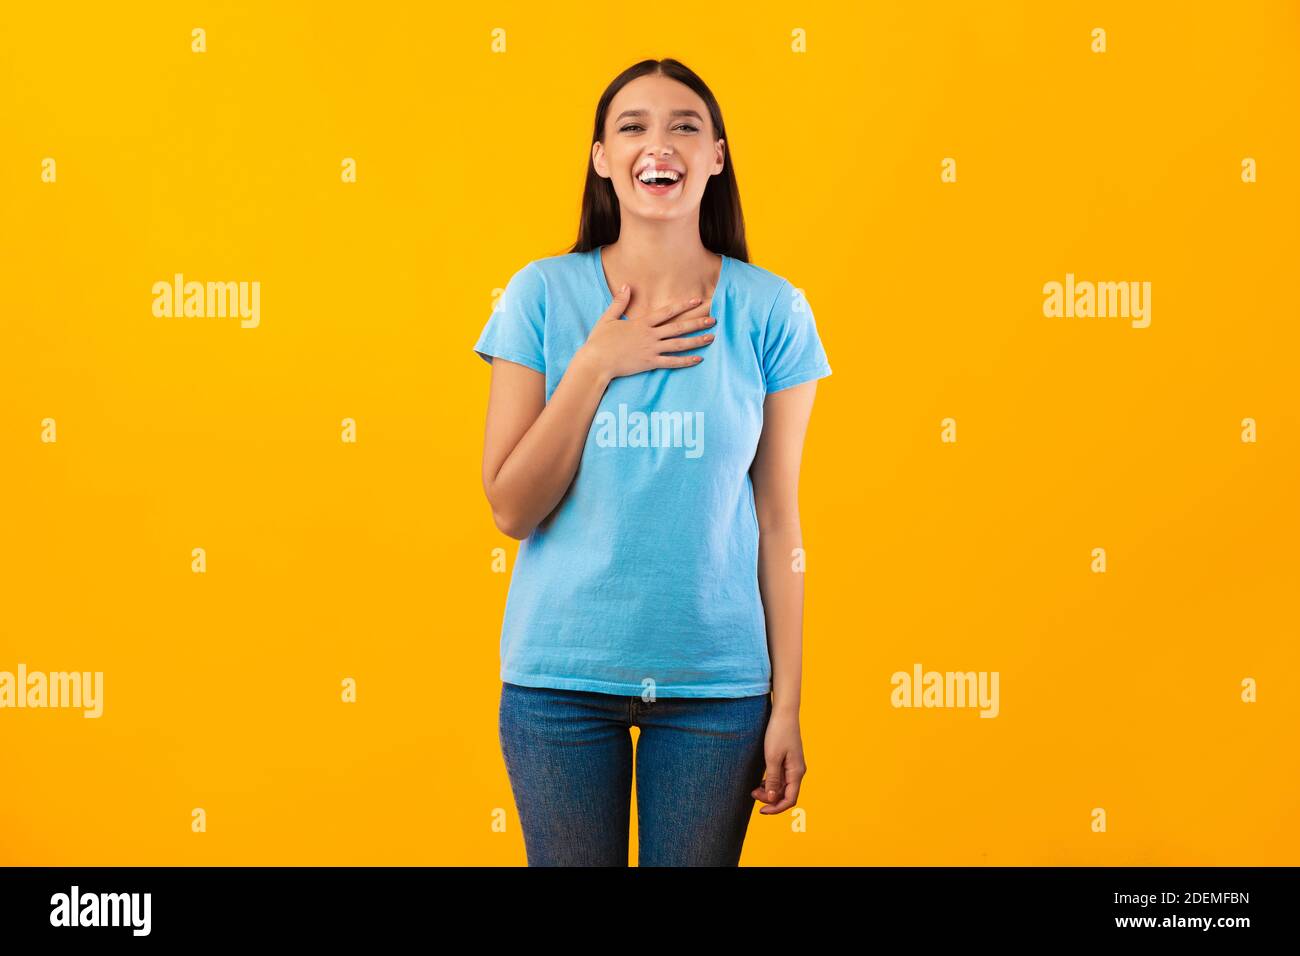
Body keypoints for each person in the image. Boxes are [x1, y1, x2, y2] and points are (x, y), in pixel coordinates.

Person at [472, 58, 831, 866]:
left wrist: (787, 705)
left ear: (716, 155)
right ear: (602, 157)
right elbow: (511, 508)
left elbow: (779, 521)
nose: (656, 144)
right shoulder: (539, 295)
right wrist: (597, 362)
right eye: (632, 126)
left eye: (683, 126)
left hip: (717, 687)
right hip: (559, 681)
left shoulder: (773, 310)